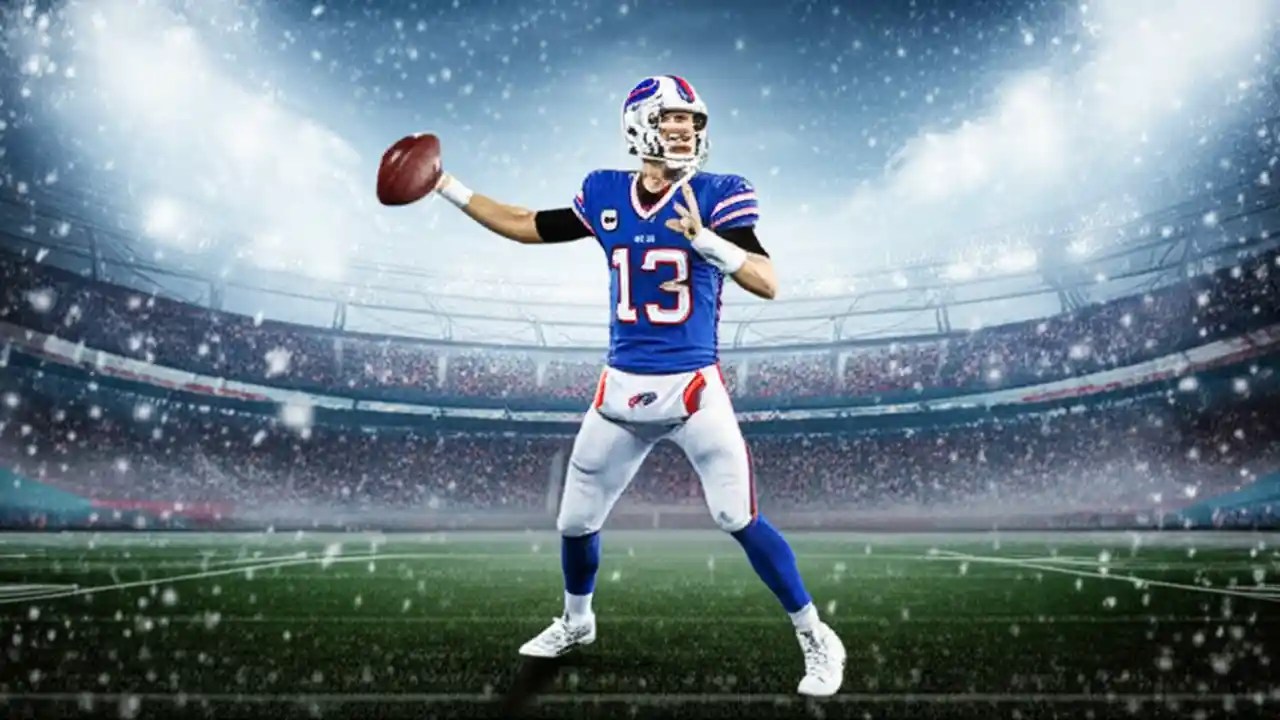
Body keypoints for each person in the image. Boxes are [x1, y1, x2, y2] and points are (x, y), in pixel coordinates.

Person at [430, 75, 845, 696]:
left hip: (693, 389)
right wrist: (445, 185)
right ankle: (577, 623)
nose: (685, 131)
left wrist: (705, 241)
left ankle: (815, 633)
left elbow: (767, 281)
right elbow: (523, 223)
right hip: (619, 390)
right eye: (673, 119)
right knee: (573, 523)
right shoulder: (604, 192)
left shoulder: (720, 193)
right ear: (638, 124)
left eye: (693, 123)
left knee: (737, 515)